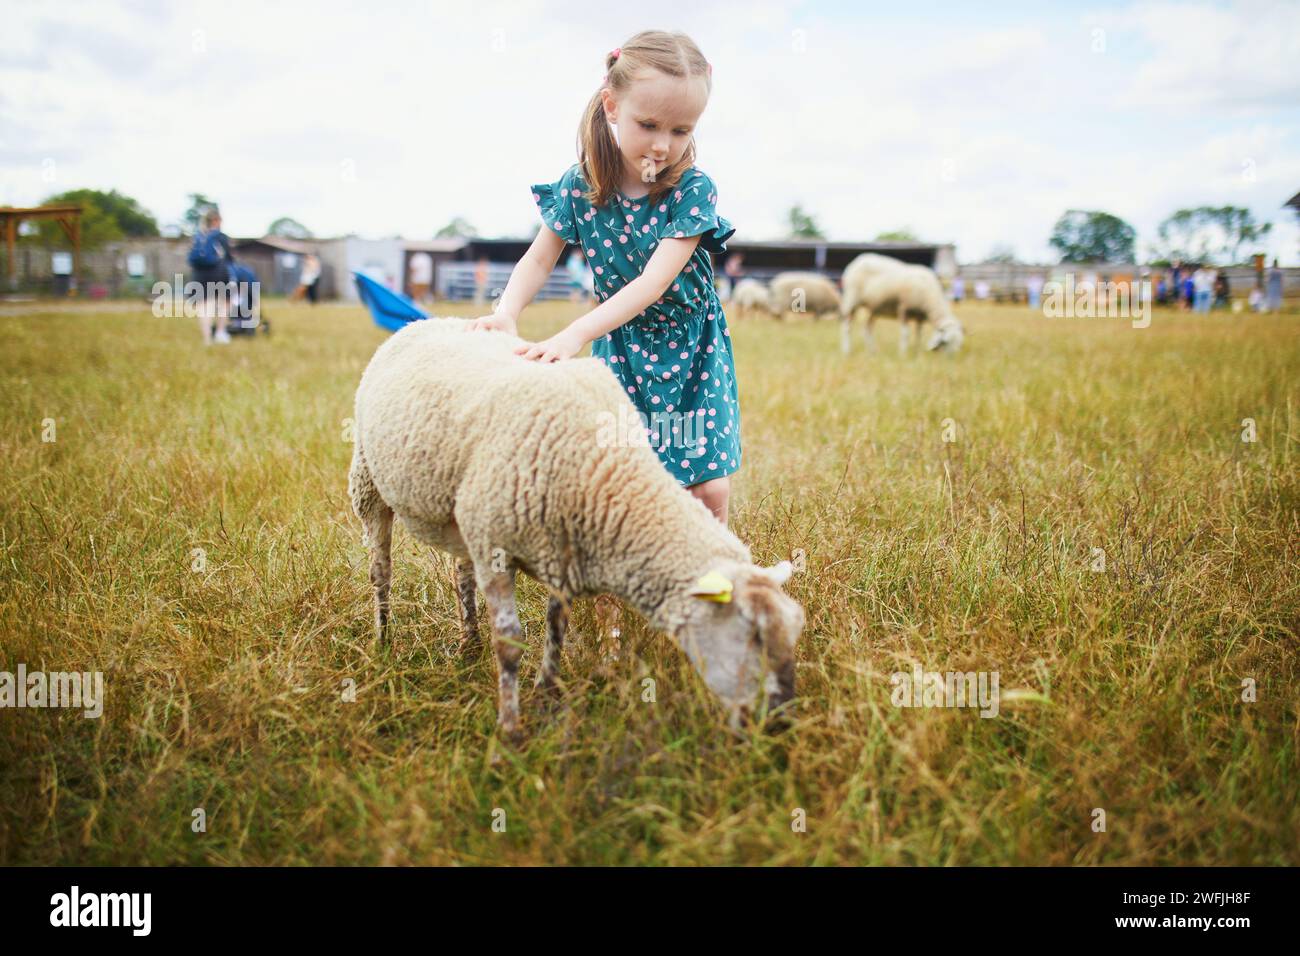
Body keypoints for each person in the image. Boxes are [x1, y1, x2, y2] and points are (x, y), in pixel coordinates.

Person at [466, 31, 737, 524]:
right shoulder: (580, 186)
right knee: (616, 472)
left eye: (681, 130)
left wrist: (574, 335)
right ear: (612, 106)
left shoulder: (692, 190)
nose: (662, 143)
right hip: (620, 347)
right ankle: (610, 587)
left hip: (691, 347)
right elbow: (538, 260)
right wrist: (507, 312)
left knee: (708, 484)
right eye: (649, 123)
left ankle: (710, 584)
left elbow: (653, 284)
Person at [187, 207, 233, 344]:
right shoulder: (219, 237)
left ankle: (207, 339)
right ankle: (220, 332)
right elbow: (228, 258)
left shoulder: (197, 236)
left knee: (204, 306)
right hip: (217, 273)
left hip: (199, 275)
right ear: (216, 220)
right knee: (224, 302)